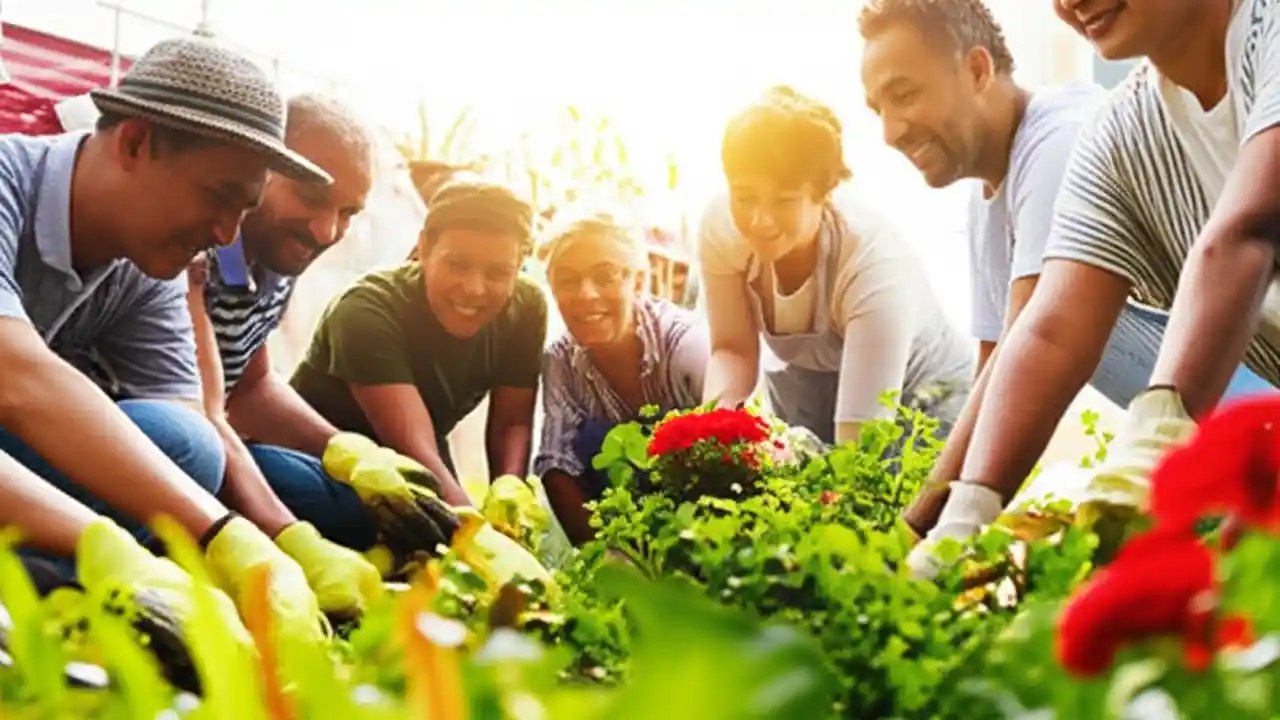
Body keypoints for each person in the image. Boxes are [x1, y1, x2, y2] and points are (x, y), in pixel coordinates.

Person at [0, 37, 377, 637]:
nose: (226, 233)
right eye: (219, 197)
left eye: (244, 208)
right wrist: (145, 541)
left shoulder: (146, 267)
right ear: (135, 142)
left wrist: (261, 547)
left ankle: (57, 579)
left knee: (185, 445)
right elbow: (14, 377)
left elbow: (189, 417)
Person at [905, 0, 1280, 576]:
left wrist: (1153, 439)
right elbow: (1052, 331)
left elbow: (1245, 235)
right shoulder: (1120, 136)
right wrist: (963, 516)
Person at [698, 85, 974, 446]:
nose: (759, 220)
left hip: (921, 396)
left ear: (824, 193)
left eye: (784, 200)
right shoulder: (723, 228)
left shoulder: (871, 264)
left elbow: (859, 451)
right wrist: (711, 436)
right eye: (744, 196)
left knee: (880, 494)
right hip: (814, 385)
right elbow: (732, 349)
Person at [187, 92, 390, 553]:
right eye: (311, 197)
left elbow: (251, 386)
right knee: (190, 448)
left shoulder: (277, 261)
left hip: (213, 436)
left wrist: (358, 456)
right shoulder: (199, 247)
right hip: (160, 436)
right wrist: (292, 539)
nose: (327, 231)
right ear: (260, 168)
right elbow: (201, 410)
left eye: (348, 213)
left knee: (351, 504)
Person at [290, 178, 548, 507]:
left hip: (416, 453)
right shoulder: (365, 309)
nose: (474, 289)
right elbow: (415, 447)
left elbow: (511, 421)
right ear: (424, 248)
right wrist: (478, 531)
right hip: (317, 459)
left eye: (498, 273)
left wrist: (510, 495)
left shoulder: (525, 307)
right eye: (457, 265)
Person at [533, 213, 708, 543]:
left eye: (605, 276)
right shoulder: (560, 360)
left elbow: (742, 446)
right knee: (585, 442)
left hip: (705, 506)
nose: (586, 295)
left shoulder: (686, 345)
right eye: (568, 281)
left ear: (639, 282)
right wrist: (604, 560)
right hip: (625, 517)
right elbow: (555, 465)